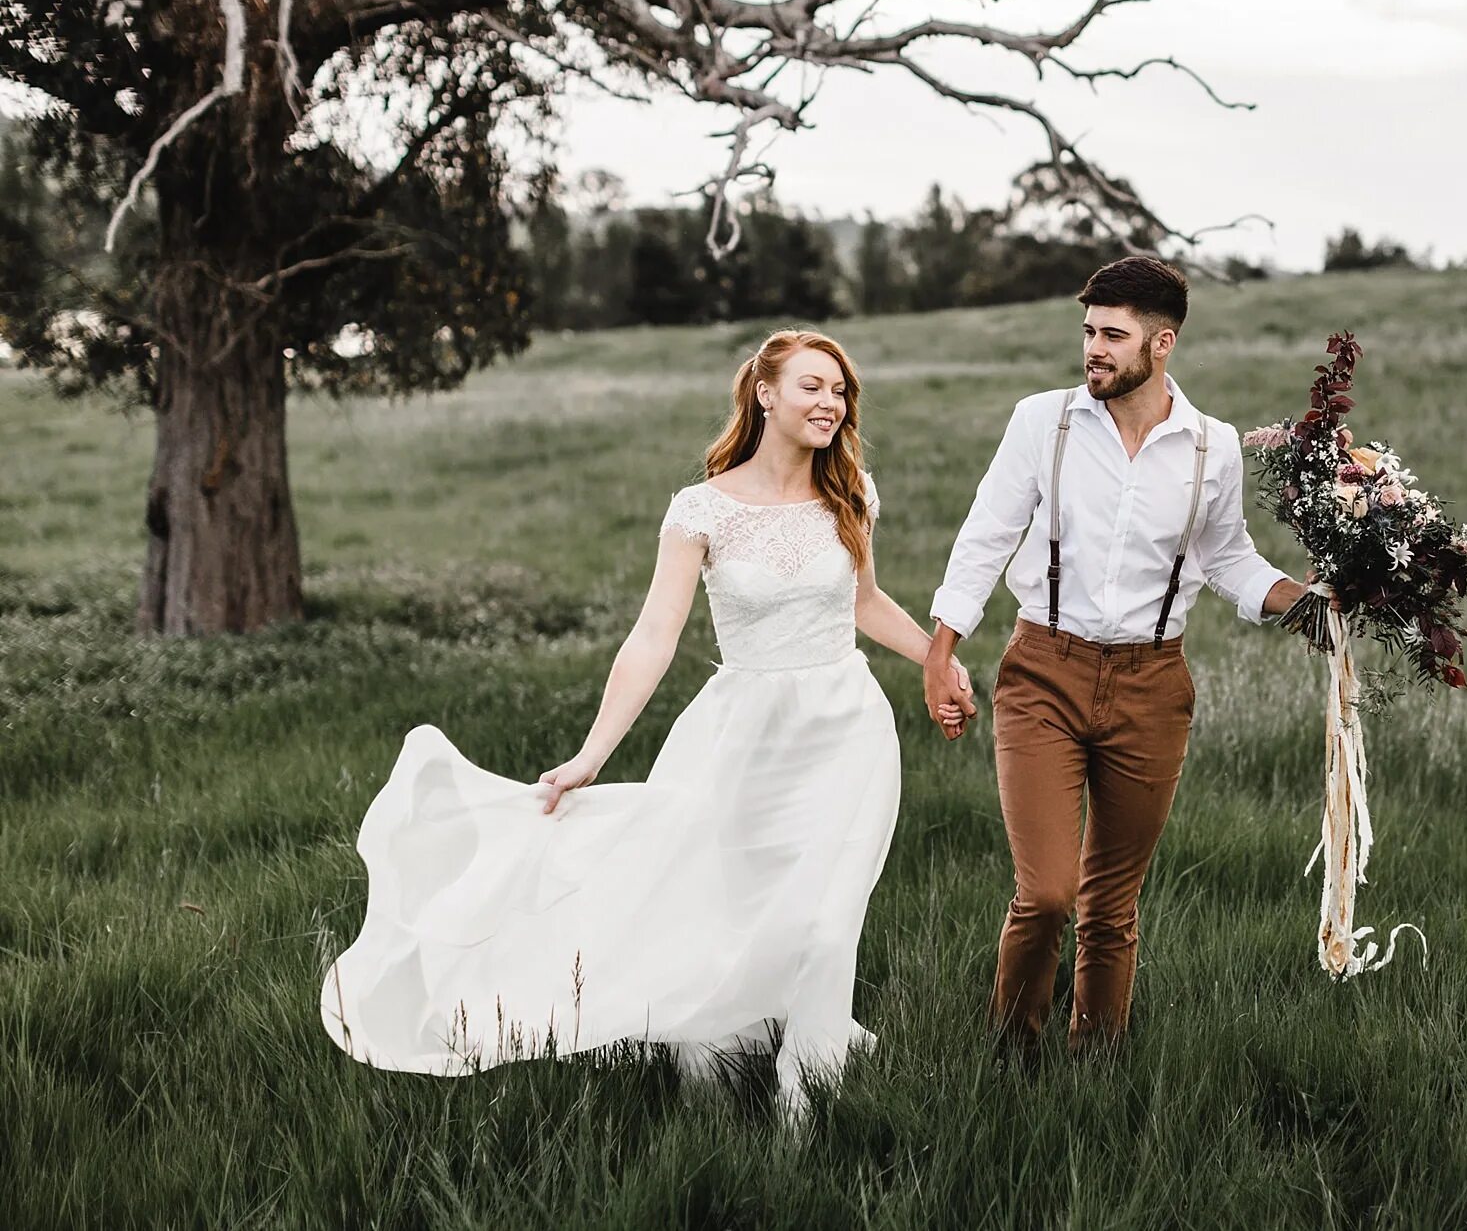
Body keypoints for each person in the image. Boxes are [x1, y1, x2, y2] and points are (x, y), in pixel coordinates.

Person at [319, 329, 969, 1123]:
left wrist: (936, 660)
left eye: (839, 390)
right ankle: (724, 1052)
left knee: (829, 918)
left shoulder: (851, 493)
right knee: (733, 903)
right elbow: (653, 635)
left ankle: (809, 1090)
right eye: (812, 385)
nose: (830, 402)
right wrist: (592, 753)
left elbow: (865, 602)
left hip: (847, 729)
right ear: (765, 393)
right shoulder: (702, 510)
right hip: (742, 734)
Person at [922, 256, 1324, 1050]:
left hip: (1153, 685)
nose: (1093, 349)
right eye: (1088, 332)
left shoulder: (1211, 446)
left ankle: (1097, 1059)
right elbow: (986, 535)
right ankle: (1011, 1057)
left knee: (1112, 905)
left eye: (1113, 334)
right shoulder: (1044, 422)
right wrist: (942, 648)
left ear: (1162, 342)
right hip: (1044, 670)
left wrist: (1307, 602)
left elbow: (1229, 557)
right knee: (1045, 893)